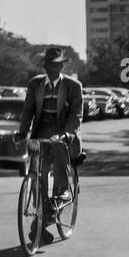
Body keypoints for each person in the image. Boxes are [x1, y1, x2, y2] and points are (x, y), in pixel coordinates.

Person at [18, 47, 84, 240]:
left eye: (57, 65)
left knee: (58, 145)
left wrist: (66, 135)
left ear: (62, 66)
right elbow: (28, 110)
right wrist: (22, 132)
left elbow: (76, 116)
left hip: (62, 134)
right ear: (45, 66)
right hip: (40, 134)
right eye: (49, 65)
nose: (52, 68)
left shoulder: (73, 86)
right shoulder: (35, 84)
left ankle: (62, 190)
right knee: (37, 173)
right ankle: (43, 215)